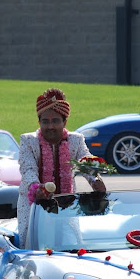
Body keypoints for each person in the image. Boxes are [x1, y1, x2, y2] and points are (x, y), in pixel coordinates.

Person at [17, 88, 106, 247]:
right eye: (45, 121)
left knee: (71, 247)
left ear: (64, 122)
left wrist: (95, 180)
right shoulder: (28, 141)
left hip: (66, 206)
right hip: (34, 206)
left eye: (55, 121)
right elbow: (27, 169)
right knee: (33, 247)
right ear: (39, 123)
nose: (50, 126)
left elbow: (85, 161)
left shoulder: (76, 140)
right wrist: (36, 188)